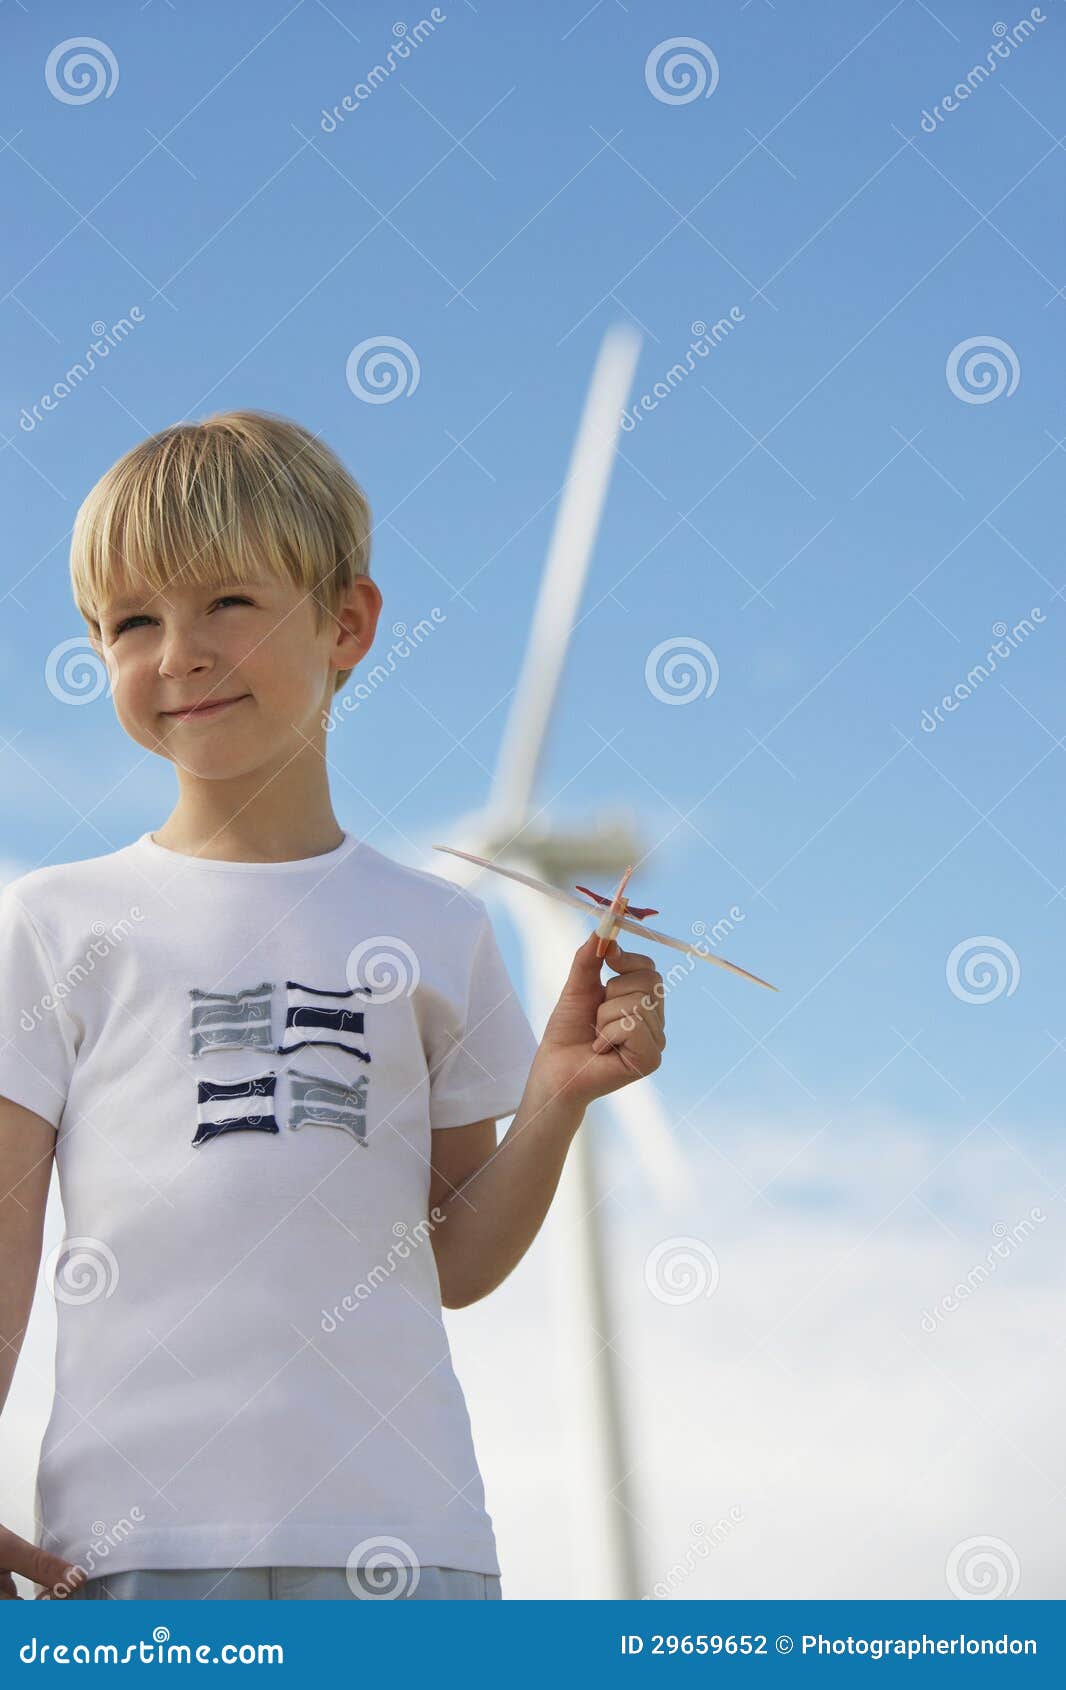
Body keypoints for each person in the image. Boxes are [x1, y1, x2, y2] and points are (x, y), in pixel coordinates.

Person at [0, 411, 666, 1602]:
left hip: (412, 1540)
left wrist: (555, 1100)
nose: (179, 653)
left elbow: (454, 1259)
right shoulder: (52, 923)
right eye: (132, 622)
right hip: (126, 1550)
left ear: (348, 623)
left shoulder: (439, 929)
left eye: (228, 605)